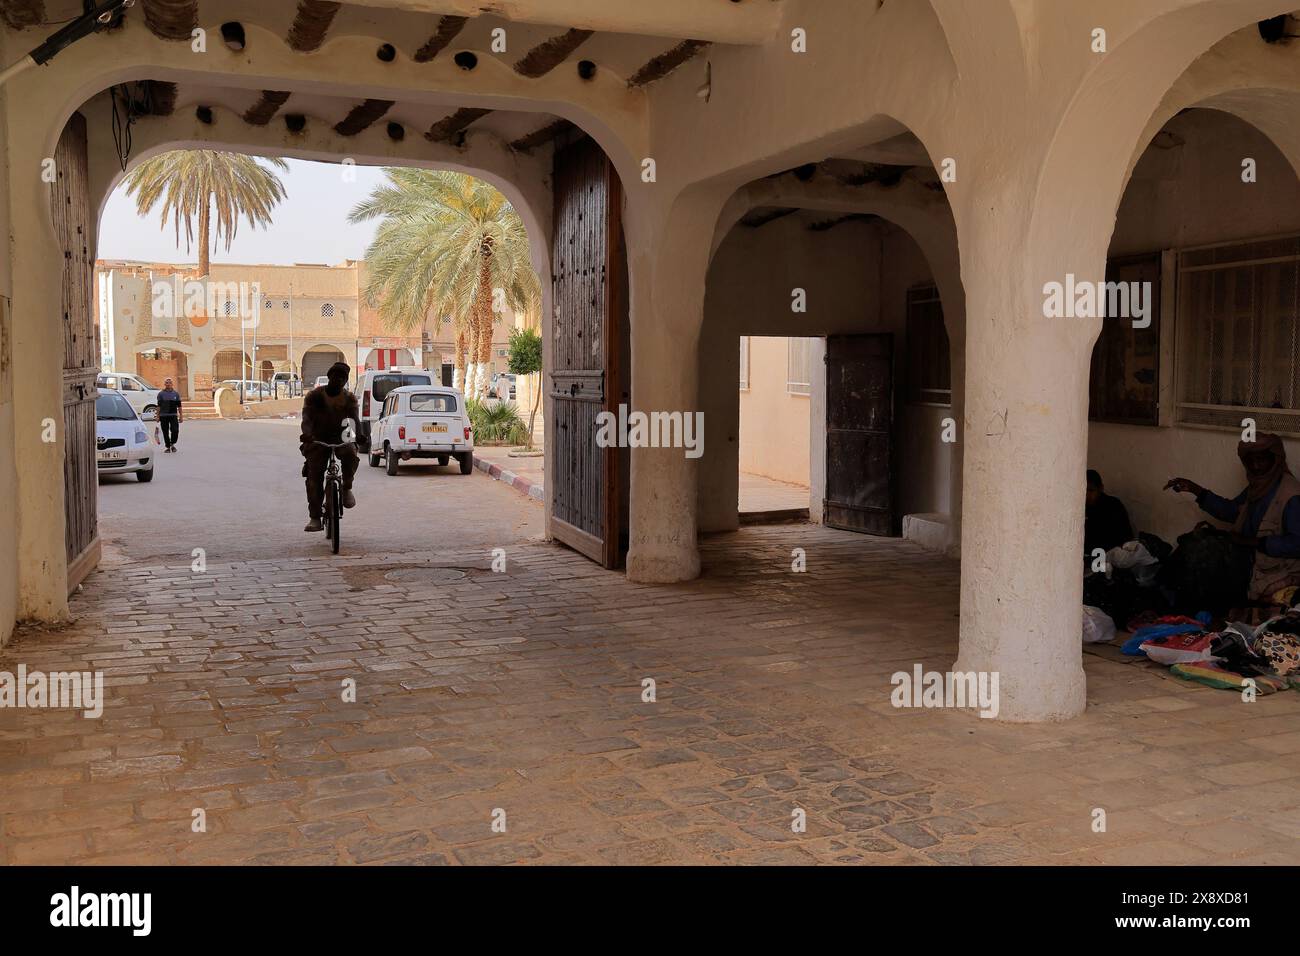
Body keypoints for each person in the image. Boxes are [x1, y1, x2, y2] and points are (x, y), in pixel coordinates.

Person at [1165, 432, 1300, 600]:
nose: (1255, 466)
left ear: (1275, 460)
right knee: (1194, 541)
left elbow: (1297, 544)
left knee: (1204, 554)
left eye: (1261, 460)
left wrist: (1251, 542)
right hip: (1248, 555)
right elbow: (1232, 511)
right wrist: (1196, 490)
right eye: (1250, 461)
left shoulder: (1291, 495)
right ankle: (1166, 597)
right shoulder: (1259, 486)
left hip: (1270, 566)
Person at [300, 361, 360, 533]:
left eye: (343, 377)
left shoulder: (349, 398)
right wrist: (307, 434)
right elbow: (307, 418)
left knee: (351, 454)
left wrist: (359, 436)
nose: (339, 380)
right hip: (317, 439)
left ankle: (347, 487)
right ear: (329, 376)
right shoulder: (314, 396)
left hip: (341, 438)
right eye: (336, 376)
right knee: (314, 477)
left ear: (346, 380)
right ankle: (315, 517)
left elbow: (354, 420)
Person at [1085, 469, 1133, 554]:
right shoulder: (1079, 508)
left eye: (1091, 490)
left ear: (1101, 488)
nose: (1087, 495)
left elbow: (1125, 538)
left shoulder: (1113, 506)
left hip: (1111, 555)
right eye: (1084, 490)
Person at [157, 377, 183, 453]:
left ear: (172, 384)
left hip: (173, 415)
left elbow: (179, 406)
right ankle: (168, 447)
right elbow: (158, 406)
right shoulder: (161, 394)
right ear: (164, 384)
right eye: (167, 382)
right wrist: (157, 416)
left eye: (170, 382)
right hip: (163, 415)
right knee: (165, 431)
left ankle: (172, 443)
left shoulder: (176, 394)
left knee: (175, 430)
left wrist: (181, 416)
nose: (168, 384)